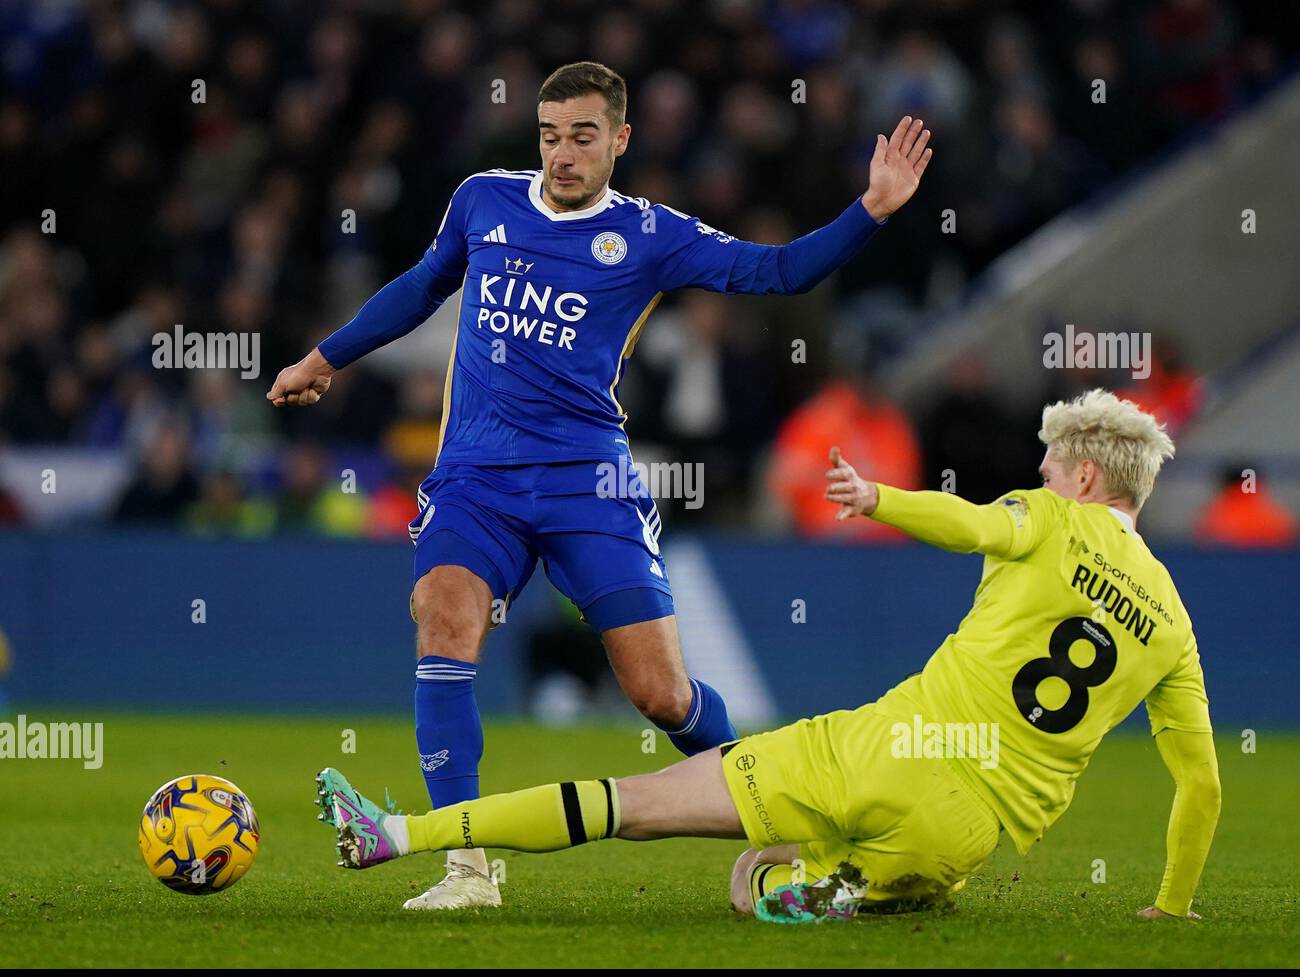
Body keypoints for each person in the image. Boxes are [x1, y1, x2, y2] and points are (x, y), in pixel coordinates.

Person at [269, 61, 933, 909]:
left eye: (583, 136)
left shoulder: (652, 234)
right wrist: (324, 358)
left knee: (660, 692)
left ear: (620, 139)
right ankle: (467, 867)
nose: (563, 154)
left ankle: (784, 815)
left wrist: (871, 208)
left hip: (589, 483)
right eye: (550, 135)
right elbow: (419, 287)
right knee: (444, 618)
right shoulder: (484, 201)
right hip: (476, 477)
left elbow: (780, 272)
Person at [317, 389, 1220, 923]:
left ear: (1088, 478)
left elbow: (972, 521)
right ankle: (829, 887)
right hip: (972, 829)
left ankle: (399, 835)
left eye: (1056, 466)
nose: (1048, 476)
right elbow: (1203, 785)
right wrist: (1171, 906)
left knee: (628, 804)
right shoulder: (1175, 622)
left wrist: (879, 498)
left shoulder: (1050, 516)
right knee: (799, 880)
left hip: (874, 749)